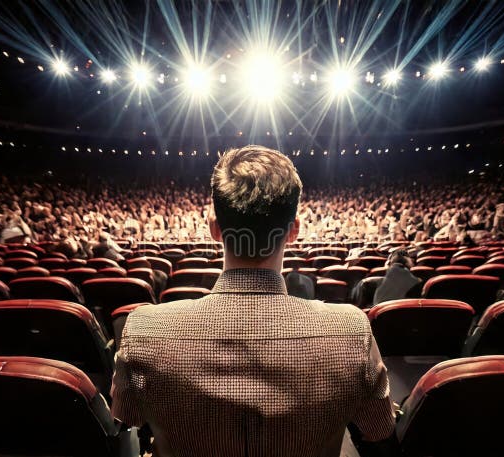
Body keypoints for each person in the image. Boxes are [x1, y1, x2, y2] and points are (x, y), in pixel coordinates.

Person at [111, 145, 395, 457]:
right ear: (294, 231)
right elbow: (379, 431)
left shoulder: (145, 330)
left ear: (213, 228)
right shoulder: (350, 331)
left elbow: (126, 419)